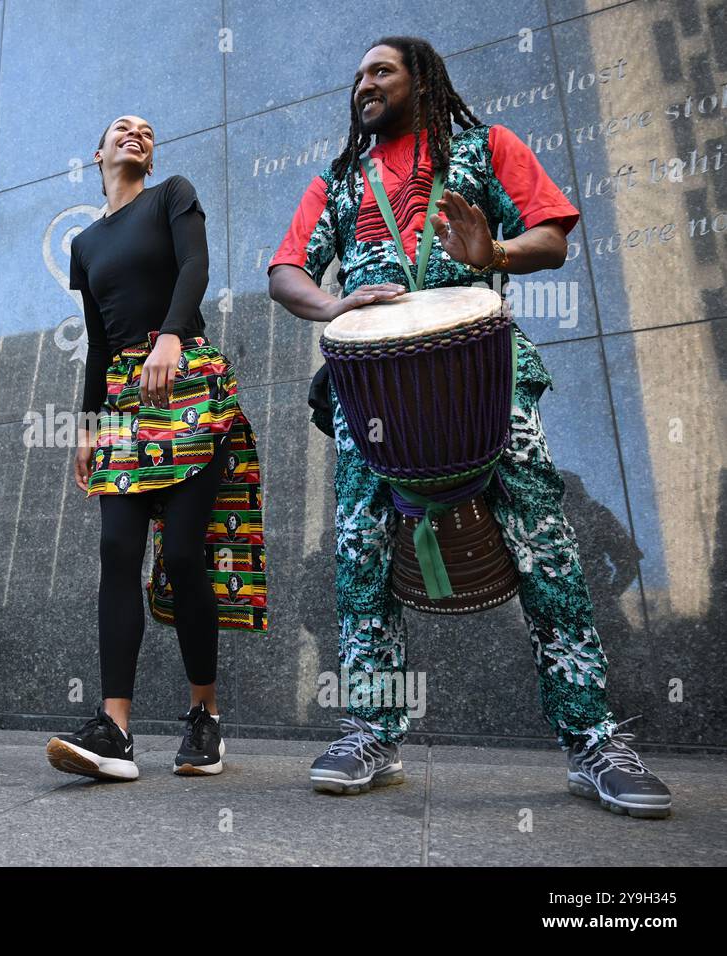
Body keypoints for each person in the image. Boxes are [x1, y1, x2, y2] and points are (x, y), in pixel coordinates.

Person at [267, 36, 671, 818]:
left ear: (422, 79)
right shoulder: (341, 180)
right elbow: (287, 272)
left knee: (544, 546)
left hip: (485, 379)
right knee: (360, 554)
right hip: (371, 393)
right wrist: (333, 305)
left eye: (380, 71)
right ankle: (372, 731)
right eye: (356, 76)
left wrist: (498, 251)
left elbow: (552, 234)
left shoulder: (487, 148)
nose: (364, 85)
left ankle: (592, 741)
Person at [46, 115, 266, 782]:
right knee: (117, 553)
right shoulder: (85, 243)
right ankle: (115, 730)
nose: (135, 132)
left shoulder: (173, 192)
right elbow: (98, 338)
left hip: (189, 386)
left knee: (182, 556)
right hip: (121, 406)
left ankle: (205, 715)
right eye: (120, 127)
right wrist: (87, 426)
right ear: (99, 150)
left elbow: (196, 265)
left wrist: (171, 333)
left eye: (146, 128)